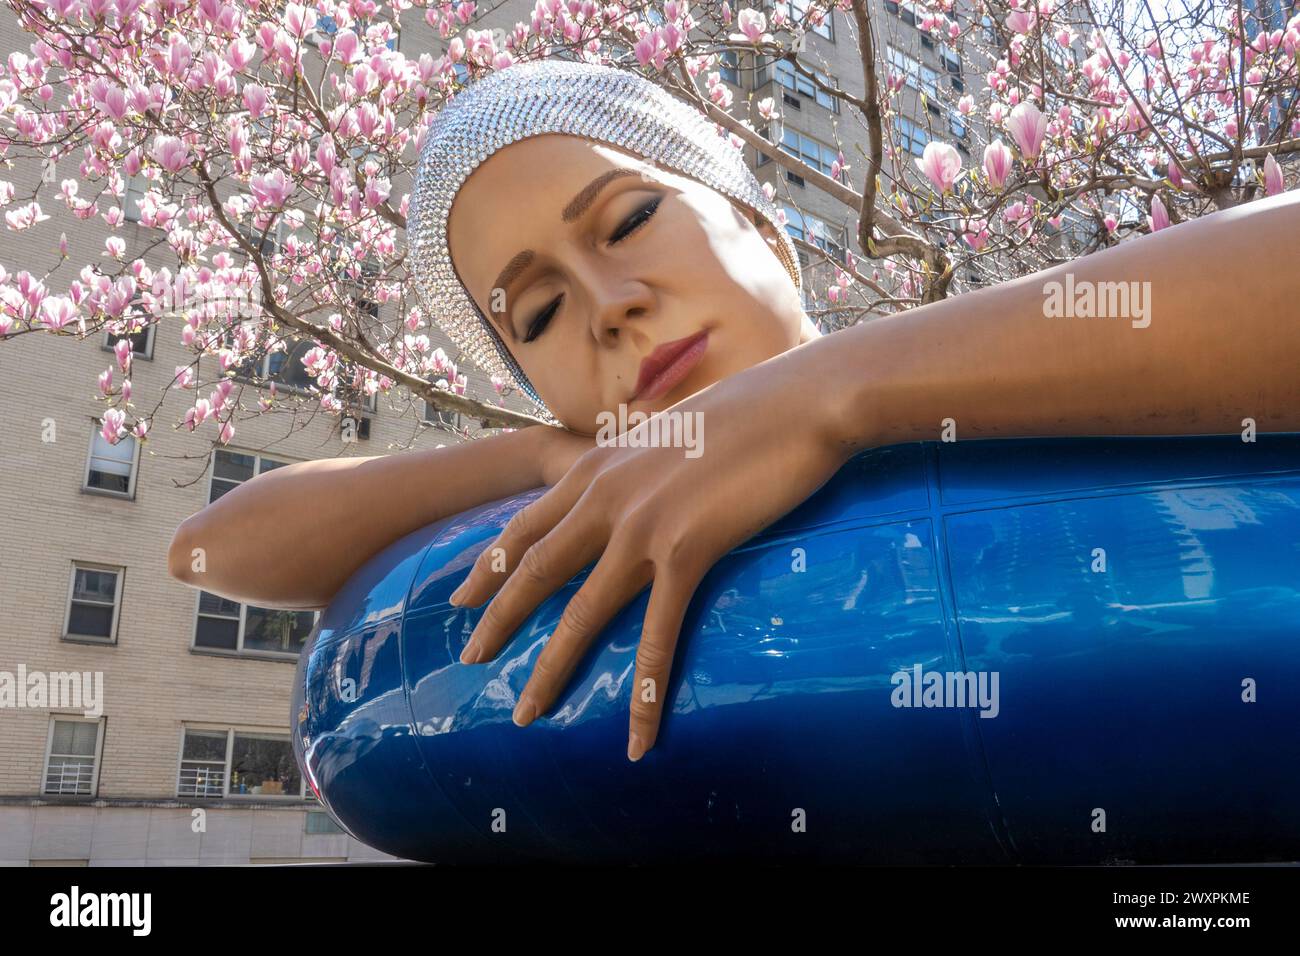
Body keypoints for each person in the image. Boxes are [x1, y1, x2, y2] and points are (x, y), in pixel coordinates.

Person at [170, 58, 1300, 763]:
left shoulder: (1002, 371)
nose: (609, 305)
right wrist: (538, 453)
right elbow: (212, 542)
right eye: (540, 313)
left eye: (625, 222)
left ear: (761, 226)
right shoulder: (591, 482)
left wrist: (823, 394)